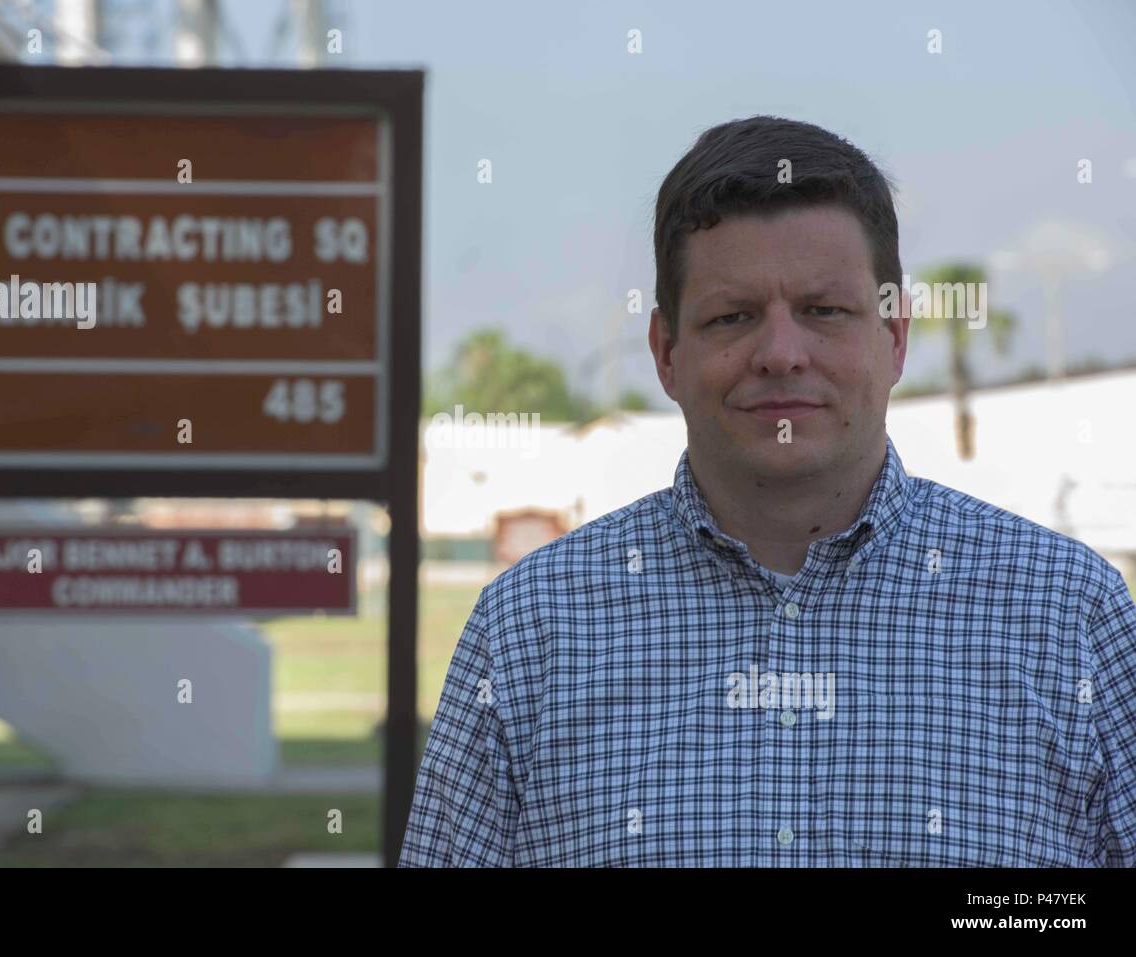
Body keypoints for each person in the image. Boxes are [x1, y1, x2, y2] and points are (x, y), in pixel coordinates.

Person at [398, 115, 1136, 867]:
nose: (781, 354)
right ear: (666, 354)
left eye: (823, 310)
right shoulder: (530, 632)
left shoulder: (1070, 619)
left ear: (896, 337)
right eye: (733, 317)